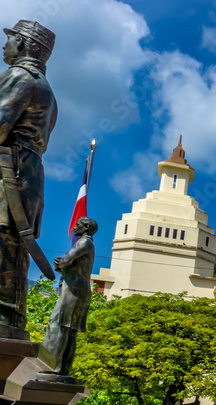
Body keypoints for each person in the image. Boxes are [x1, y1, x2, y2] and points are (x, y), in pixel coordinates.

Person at [0, 20, 58, 334]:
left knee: (4, 248)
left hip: (9, 173)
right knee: (13, 251)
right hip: (28, 175)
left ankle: (5, 323)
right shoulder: (46, 90)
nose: (4, 45)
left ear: (22, 44)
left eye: (9, 40)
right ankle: (9, 321)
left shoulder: (19, 77)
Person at [40, 217, 95, 378]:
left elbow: (66, 260)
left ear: (85, 227)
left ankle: (47, 365)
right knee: (70, 330)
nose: (74, 226)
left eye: (78, 224)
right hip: (79, 291)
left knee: (57, 324)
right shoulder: (88, 244)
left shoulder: (84, 243)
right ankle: (62, 369)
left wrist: (59, 262)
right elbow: (71, 267)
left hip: (73, 292)